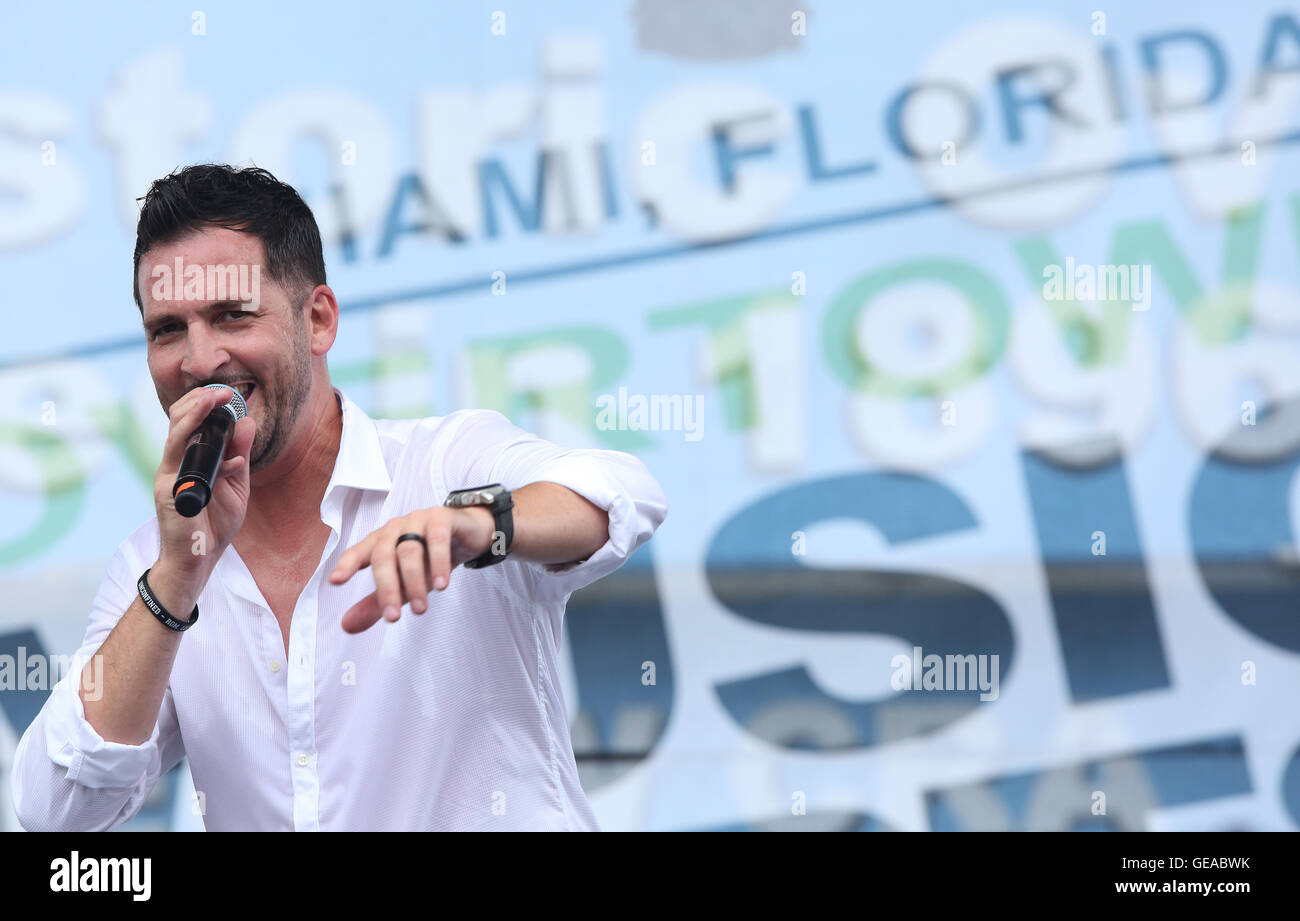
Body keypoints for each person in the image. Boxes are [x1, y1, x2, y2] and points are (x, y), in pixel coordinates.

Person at [10, 164, 667, 831]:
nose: (200, 360)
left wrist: (480, 523)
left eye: (232, 316)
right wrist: (177, 579)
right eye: (167, 330)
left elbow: (622, 494)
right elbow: (52, 811)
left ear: (318, 320)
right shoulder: (153, 566)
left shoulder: (441, 468)